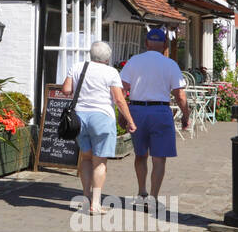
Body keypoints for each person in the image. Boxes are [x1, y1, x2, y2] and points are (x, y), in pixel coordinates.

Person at [61, 41, 137, 215]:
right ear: (108, 57)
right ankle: (96, 204)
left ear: (91, 54)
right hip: (102, 117)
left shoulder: (78, 66)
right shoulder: (111, 72)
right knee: (100, 161)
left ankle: (86, 199)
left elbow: (66, 90)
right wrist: (130, 121)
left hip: (80, 117)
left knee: (86, 158)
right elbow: (119, 99)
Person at [119, 27, 190, 209]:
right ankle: (153, 197)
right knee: (159, 158)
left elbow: (122, 90)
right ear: (165, 44)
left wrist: (122, 114)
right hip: (160, 111)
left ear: (146, 43)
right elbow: (180, 95)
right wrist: (185, 116)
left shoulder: (134, 61)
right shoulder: (170, 64)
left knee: (140, 154)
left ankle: (142, 191)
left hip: (137, 110)